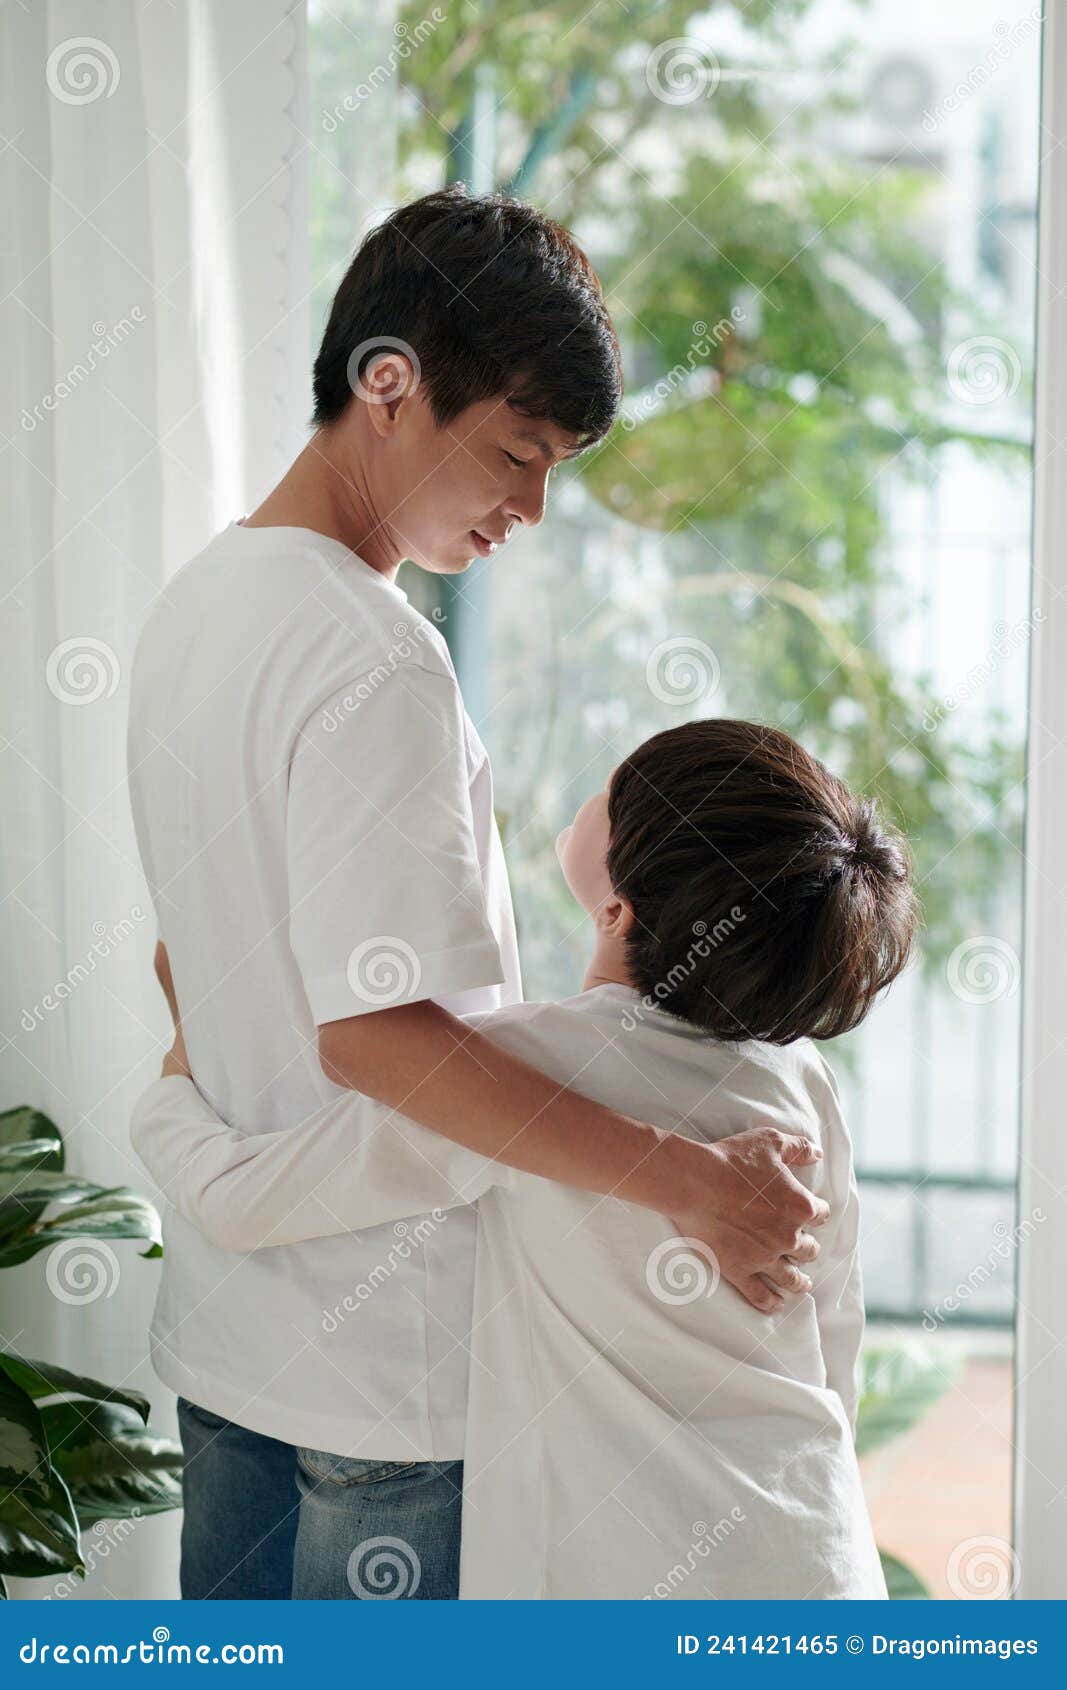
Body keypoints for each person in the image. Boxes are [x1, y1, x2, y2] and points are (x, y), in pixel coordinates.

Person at [126, 187, 826, 1601]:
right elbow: (378, 1041)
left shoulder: (196, 603)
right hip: (384, 1387)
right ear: (387, 385)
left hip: (225, 1338)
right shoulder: (373, 658)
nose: (530, 508)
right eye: (517, 453)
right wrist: (695, 1186)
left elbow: (183, 959)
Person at [132, 719, 916, 1600]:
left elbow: (240, 1200)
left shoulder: (519, 1074)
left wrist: (178, 1067)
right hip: (815, 1552)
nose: (596, 786)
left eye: (614, 794)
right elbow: (835, 1346)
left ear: (616, 909)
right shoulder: (799, 1076)